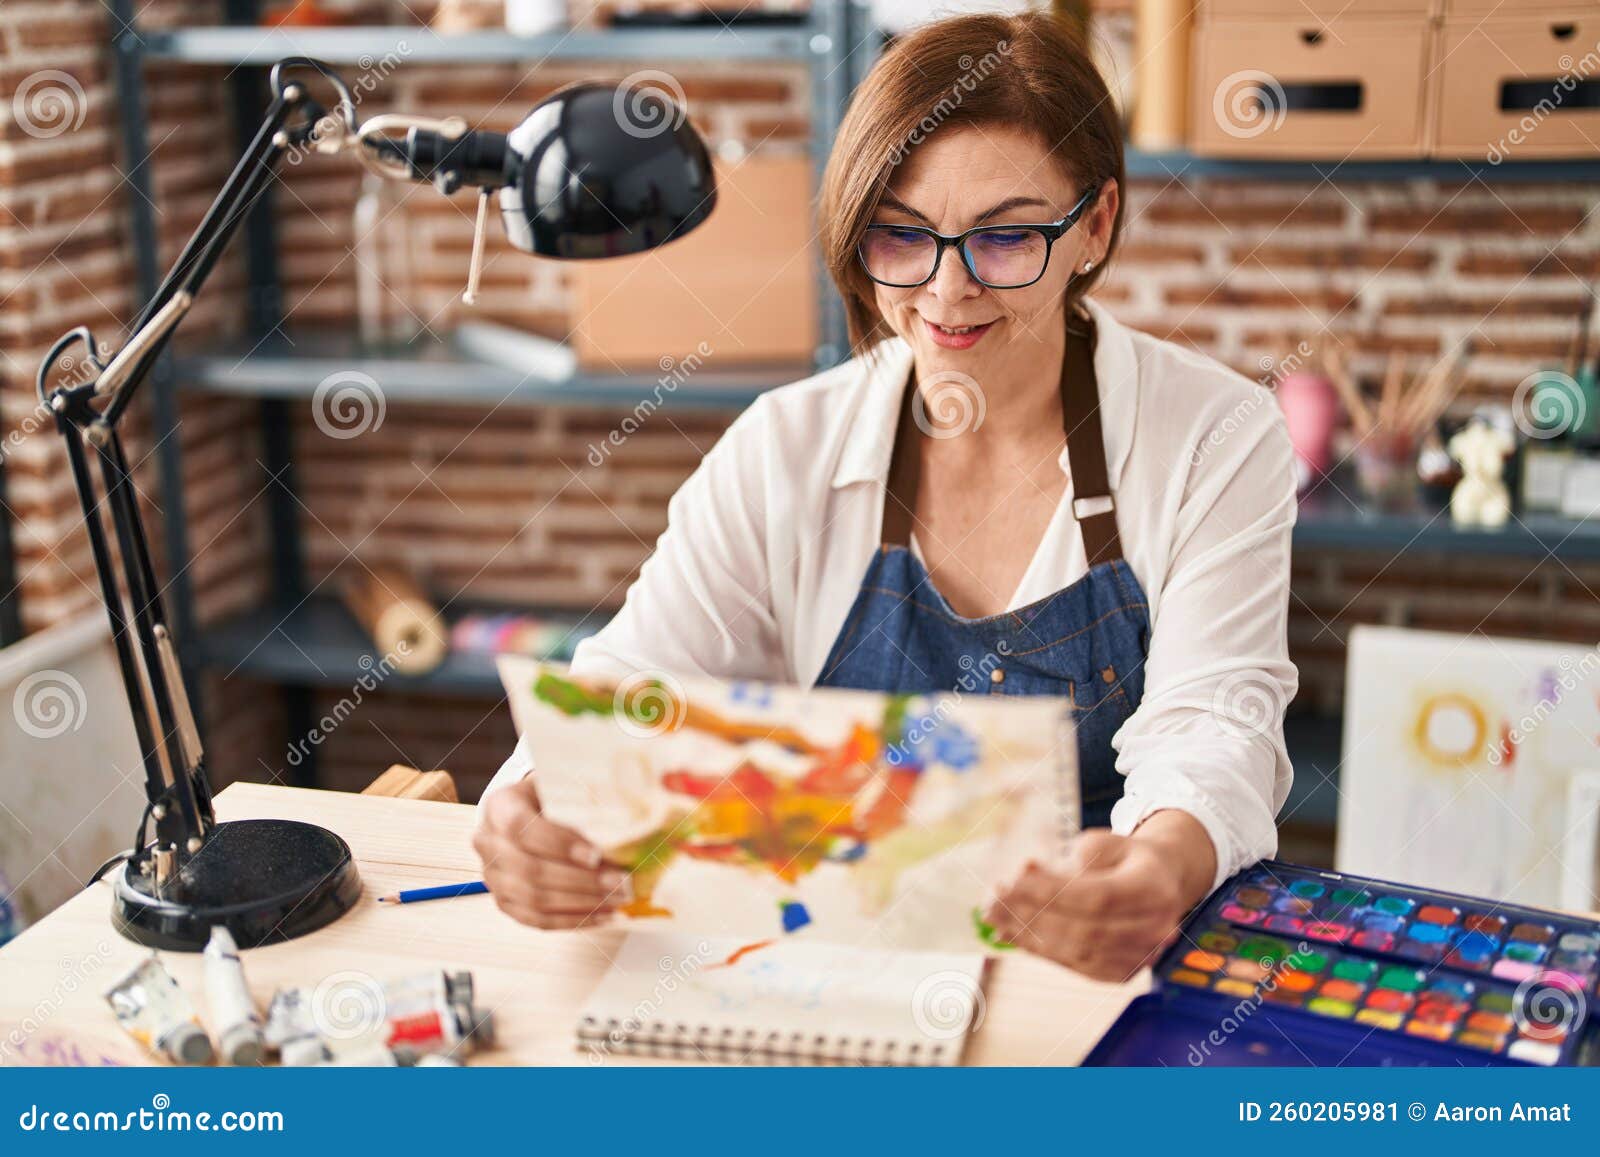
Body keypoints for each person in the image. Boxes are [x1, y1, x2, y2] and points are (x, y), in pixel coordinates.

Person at [474, 10, 1297, 982]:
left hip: (1096, 962)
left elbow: (1216, 725)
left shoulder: (1213, 435)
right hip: (845, 962)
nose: (946, 290)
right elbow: (633, 684)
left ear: (1096, 225)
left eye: (1005, 237)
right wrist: (532, 800)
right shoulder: (785, 447)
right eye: (900, 236)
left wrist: (1158, 866)